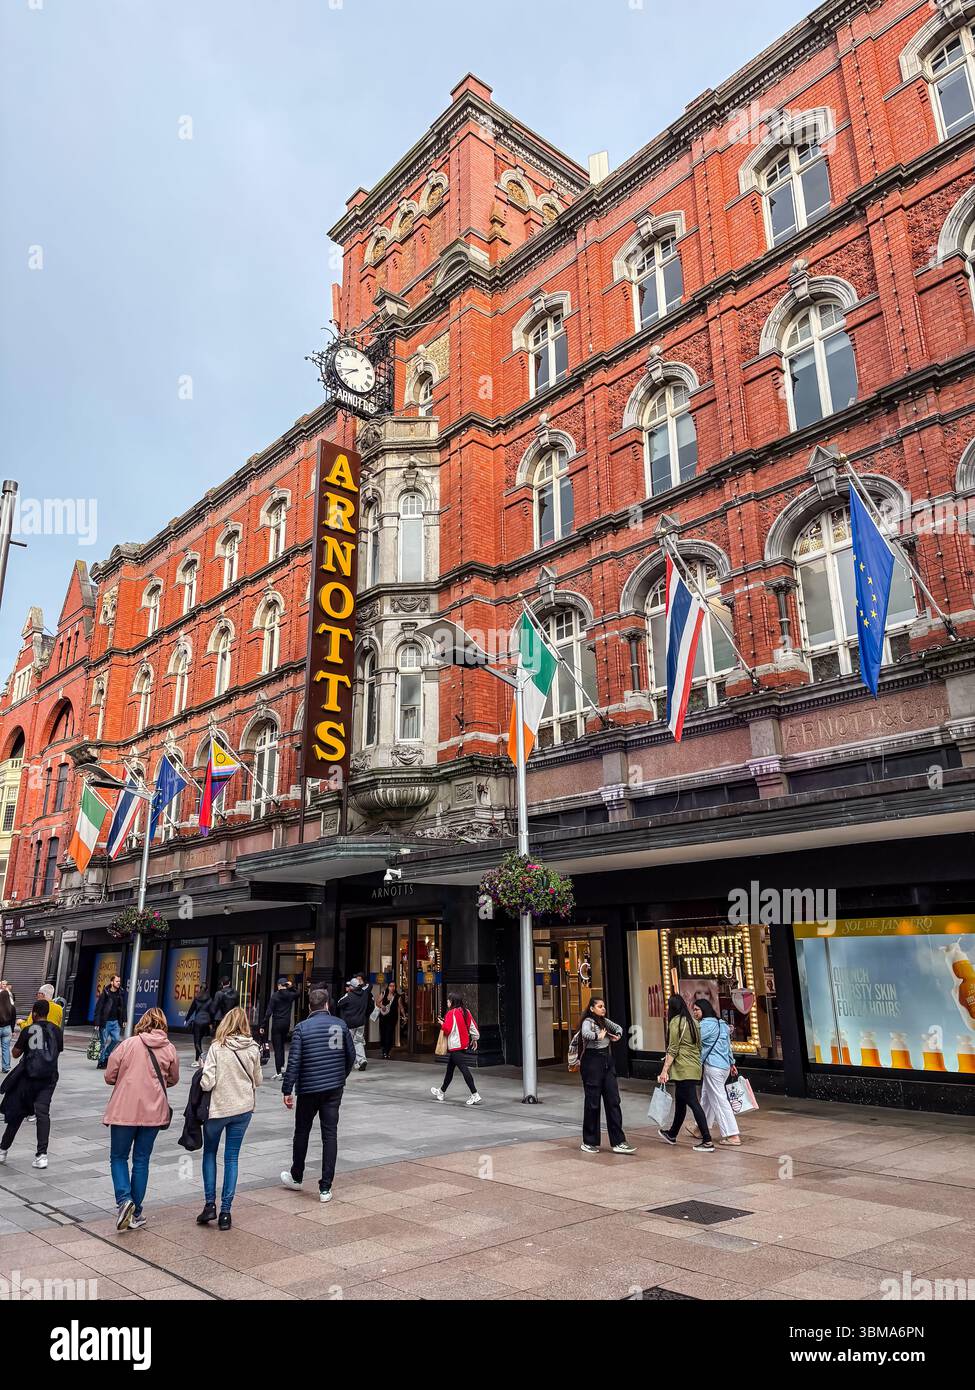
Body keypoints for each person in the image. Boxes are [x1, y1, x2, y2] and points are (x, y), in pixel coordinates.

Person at [102, 1006, 180, 1231]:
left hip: (123, 1111)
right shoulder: (170, 1048)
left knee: (118, 1157)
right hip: (153, 1113)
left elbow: (109, 1075)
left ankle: (124, 1200)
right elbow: (173, 1078)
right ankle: (135, 1210)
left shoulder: (128, 1044)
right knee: (142, 1160)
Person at [279, 987, 355, 1203]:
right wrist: (341, 1076)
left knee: (302, 1131)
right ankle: (325, 1187)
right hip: (334, 1088)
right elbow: (350, 1055)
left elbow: (294, 1061)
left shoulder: (302, 1028)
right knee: (329, 1134)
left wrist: (287, 1089)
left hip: (309, 1088)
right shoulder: (340, 1025)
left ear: (310, 1006)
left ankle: (297, 1175)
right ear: (327, 1005)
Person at [197, 1005, 262, 1229]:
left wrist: (203, 1068)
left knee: (210, 1153)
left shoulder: (217, 1047)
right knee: (232, 1158)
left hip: (218, 1110)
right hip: (243, 1109)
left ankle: (209, 1206)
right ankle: (226, 1212)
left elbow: (208, 1082)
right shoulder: (253, 1048)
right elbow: (258, 1079)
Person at [0, 998, 63, 1168]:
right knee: (43, 1114)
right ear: (47, 1013)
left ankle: (3, 1150)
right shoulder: (56, 1030)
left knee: (18, 1114)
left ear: (34, 1013)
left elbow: (15, 1053)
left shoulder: (28, 1030)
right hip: (48, 1078)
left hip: (28, 1078)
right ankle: (42, 1155)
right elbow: (58, 1050)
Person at [576, 998, 636, 1154]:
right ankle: (589, 1141)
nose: (603, 1009)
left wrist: (617, 1034)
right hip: (592, 1063)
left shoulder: (603, 1021)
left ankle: (619, 1141)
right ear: (591, 1008)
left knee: (613, 1100)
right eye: (599, 1006)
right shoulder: (588, 1021)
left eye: (604, 1006)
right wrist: (598, 1036)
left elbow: (618, 1027)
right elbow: (586, 1033)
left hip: (607, 1062)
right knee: (592, 1103)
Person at [657, 994, 714, 1153]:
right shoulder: (694, 1022)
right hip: (694, 1067)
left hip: (683, 1068)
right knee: (681, 1102)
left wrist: (664, 1070)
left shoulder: (676, 1023)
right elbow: (699, 1047)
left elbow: (673, 1049)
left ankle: (707, 1139)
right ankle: (672, 1134)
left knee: (693, 1102)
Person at [692, 999, 741, 1146]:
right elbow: (727, 1046)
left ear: (704, 1010)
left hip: (713, 1066)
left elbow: (694, 1041)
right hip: (724, 1066)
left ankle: (732, 1134)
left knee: (719, 1100)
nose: (694, 1012)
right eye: (693, 1009)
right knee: (707, 1096)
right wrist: (732, 1062)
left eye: (696, 1010)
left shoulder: (705, 1025)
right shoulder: (722, 1024)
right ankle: (700, 1128)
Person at [430, 992, 482, 1106]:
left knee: (464, 1069)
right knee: (450, 1070)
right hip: (463, 1045)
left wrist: (441, 1023)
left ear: (452, 1001)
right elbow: (473, 1027)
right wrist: (475, 1039)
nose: (447, 1002)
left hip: (455, 1046)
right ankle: (441, 1091)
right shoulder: (466, 1011)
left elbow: (447, 1030)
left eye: (448, 1000)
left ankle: (475, 1094)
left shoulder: (451, 1013)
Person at [262, 977, 298, 1078]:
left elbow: (269, 1011)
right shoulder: (290, 995)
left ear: (278, 985)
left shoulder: (275, 996)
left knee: (278, 1048)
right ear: (286, 985)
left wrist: (263, 1024)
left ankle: (279, 1071)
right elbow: (298, 993)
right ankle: (282, 1069)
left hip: (277, 1023)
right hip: (286, 1024)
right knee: (282, 1045)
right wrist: (292, 987)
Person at [336, 974, 372, 1071]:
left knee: (348, 1043)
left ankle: (347, 1062)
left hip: (350, 1024)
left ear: (351, 987)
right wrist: (362, 981)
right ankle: (362, 1060)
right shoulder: (364, 993)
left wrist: (347, 993)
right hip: (361, 1023)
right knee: (358, 1042)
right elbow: (369, 985)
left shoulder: (349, 996)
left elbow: (339, 1003)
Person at [94, 975, 125, 1069]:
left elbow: (123, 1008)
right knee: (103, 1043)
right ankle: (101, 1062)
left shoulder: (121, 993)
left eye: (119, 981)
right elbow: (98, 1008)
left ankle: (106, 1056)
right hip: (105, 1022)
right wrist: (97, 1023)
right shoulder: (105, 993)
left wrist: (124, 1019)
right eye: (116, 981)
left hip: (115, 1022)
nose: (118, 983)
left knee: (116, 1039)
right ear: (112, 982)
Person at [184, 986, 214, 1064]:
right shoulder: (210, 999)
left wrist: (186, 1019)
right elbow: (212, 1012)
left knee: (197, 1042)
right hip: (206, 1022)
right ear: (207, 990)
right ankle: (197, 1060)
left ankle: (201, 1056)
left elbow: (191, 1010)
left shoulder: (196, 999)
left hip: (198, 1022)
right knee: (200, 1040)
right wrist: (211, 1023)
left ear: (200, 989)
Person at [376, 979, 404, 1060]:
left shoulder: (398, 996)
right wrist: (382, 1006)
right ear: (388, 987)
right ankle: (383, 1049)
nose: (392, 988)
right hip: (383, 1017)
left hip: (392, 1018)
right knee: (383, 1033)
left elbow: (401, 1007)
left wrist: (404, 1015)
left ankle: (387, 1051)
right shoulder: (383, 994)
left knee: (389, 1034)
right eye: (391, 986)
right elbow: (377, 1002)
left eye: (394, 986)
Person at [0, 981, 15, 1073]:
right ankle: (6, 1067)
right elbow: (13, 1020)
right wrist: (12, 1030)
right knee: (6, 1048)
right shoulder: (12, 1007)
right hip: (7, 1028)